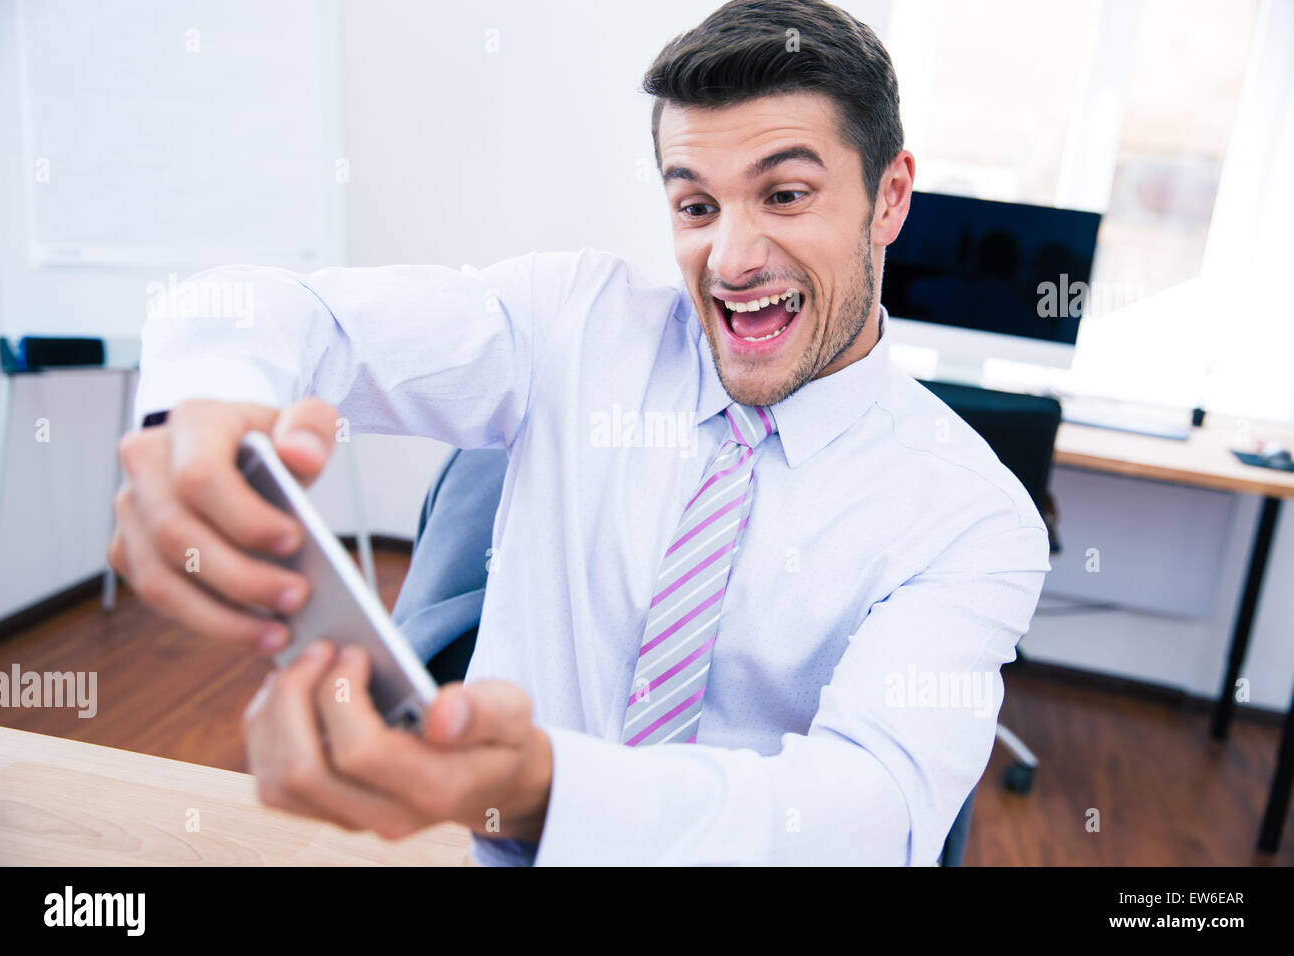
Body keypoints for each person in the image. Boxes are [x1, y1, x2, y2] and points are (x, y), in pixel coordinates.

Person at [108, 0, 1051, 865]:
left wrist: (546, 793)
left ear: (889, 199)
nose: (730, 257)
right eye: (695, 205)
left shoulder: (973, 517)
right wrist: (207, 401)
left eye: (786, 196)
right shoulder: (574, 325)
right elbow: (288, 313)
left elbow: (871, 813)